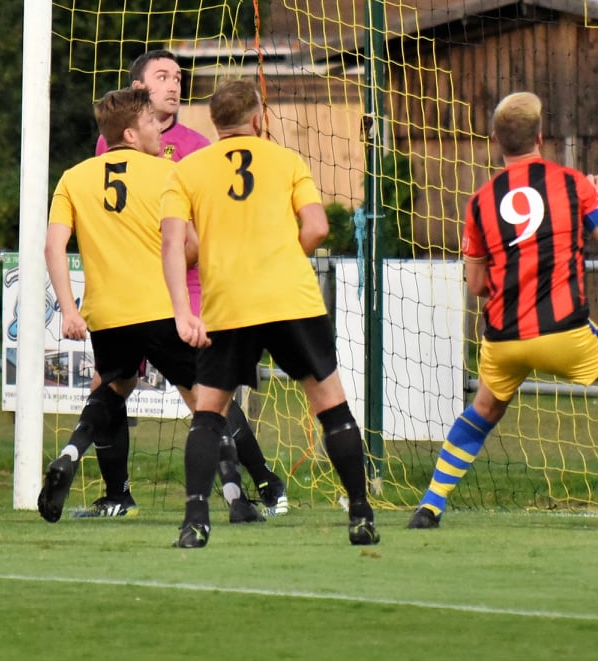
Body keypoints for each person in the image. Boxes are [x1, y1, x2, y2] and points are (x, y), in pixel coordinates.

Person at [406, 91, 598, 528]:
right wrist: (597, 204)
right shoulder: (573, 184)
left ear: (495, 140)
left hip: (504, 339)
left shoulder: (480, 201)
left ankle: (429, 506)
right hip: (564, 331)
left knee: (484, 408)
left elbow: (476, 284)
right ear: (540, 138)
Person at [36, 87, 269, 526]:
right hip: (161, 310)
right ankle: (238, 498)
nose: (159, 130)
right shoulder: (168, 174)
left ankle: (72, 453)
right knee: (208, 401)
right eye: (150, 123)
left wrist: (69, 310)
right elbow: (192, 247)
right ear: (130, 131)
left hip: (105, 316)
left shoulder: (73, 177)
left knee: (111, 388)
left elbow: (53, 247)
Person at [161, 78, 378, 549]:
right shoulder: (287, 160)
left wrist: (183, 311)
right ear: (259, 119)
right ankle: (361, 513)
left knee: (209, 413)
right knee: (330, 404)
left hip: (229, 304)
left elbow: (174, 244)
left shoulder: (188, 170)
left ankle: (195, 522)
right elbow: (317, 227)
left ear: (215, 123)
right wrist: (282, 255)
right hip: (290, 298)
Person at [80, 48, 287, 519]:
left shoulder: (196, 146)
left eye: (177, 77)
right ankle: (118, 496)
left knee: (205, 396)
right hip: (129, 295)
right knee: (109, 385)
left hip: (184, 292)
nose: (173, 85)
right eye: (161, 77)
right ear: (138, 89)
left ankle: (263, 484)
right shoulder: (108, 145)